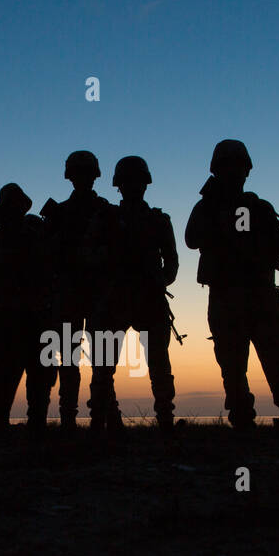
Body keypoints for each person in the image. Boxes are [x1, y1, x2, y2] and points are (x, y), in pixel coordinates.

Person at [185, 139, 279, 432]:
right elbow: (192, 239)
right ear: (218, 171)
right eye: (229, 168)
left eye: (239, 168)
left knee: (276, 358)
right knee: (234, 364)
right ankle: (244, 420)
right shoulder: (208, 208)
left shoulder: (257, 207)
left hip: (259, 294)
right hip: (229, 295)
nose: (235, 173)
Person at [85, 156, 179, 432]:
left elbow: (171, 262)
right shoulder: (105, 219)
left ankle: (165, 420)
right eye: (128, 182)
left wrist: (160, 281)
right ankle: (99, 422)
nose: (133, 187)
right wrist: (108, 260)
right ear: (119, 185)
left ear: (145, 184)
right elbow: (87, 255)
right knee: (103, 366)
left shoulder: (158, 220)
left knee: (159, 363)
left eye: (137, 181)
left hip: (148, 299)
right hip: (114, 299)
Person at [40, 151, 111, 431]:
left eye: (86, 174)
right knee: (69, 363)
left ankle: (100, 419)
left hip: (96, 294)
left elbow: (116, 250)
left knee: (101, 362)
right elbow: (45, 254)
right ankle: (69, 419)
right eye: (78, 174)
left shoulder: (104, 211)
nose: (82, 179)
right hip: (70, 293)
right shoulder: (59, 213)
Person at [0, 183, 56, 432]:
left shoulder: (35, 233)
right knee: (3, 379)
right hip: (7, 320)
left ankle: (34, 426)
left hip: (33, 317)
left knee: (38, 379)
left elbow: (50, 270)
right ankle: (0, 426)